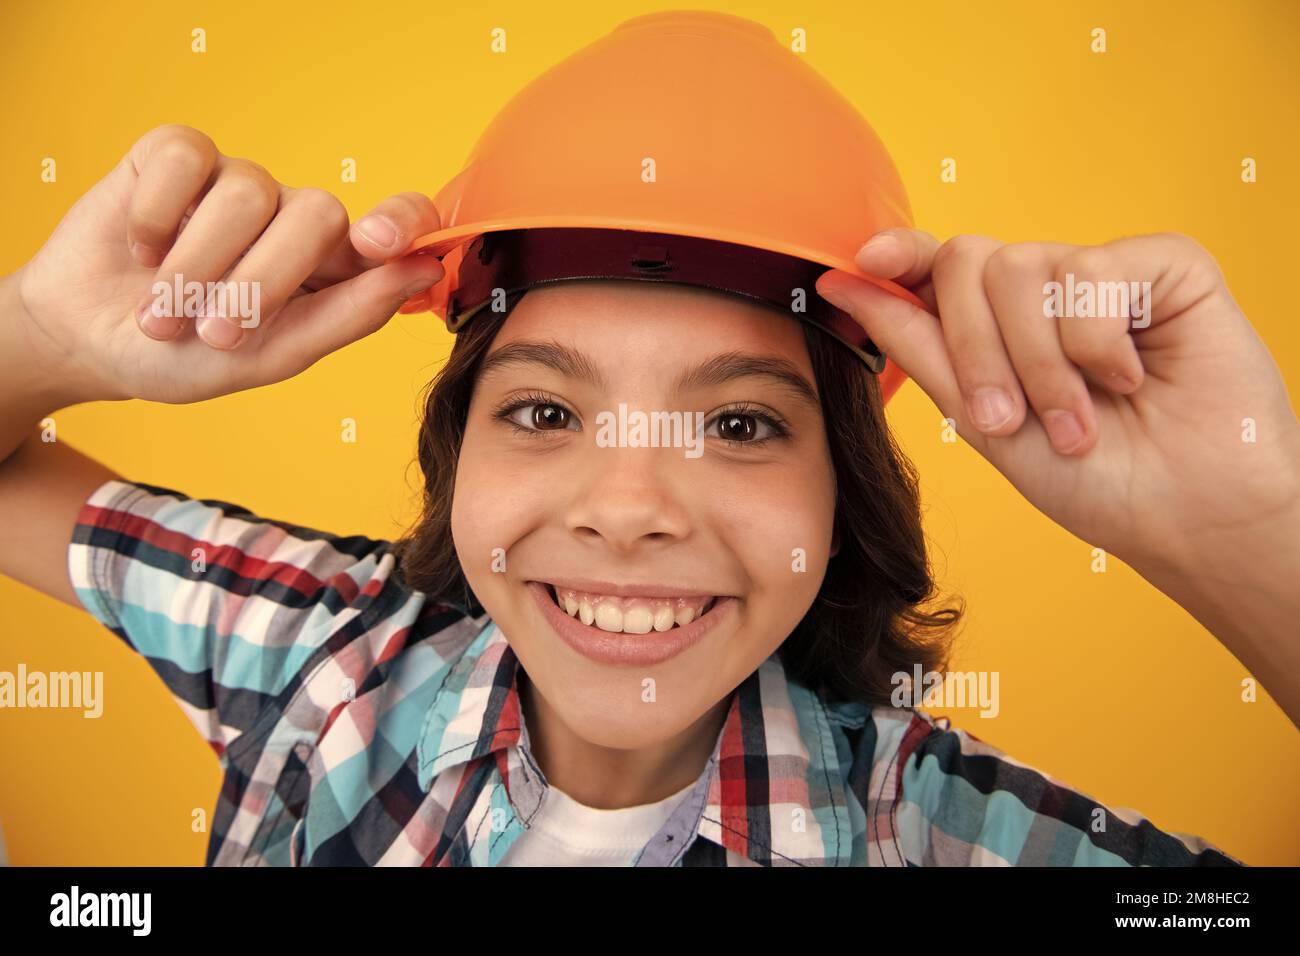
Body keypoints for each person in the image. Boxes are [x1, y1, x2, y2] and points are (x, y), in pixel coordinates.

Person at [1, 15, 1296, 867]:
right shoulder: (310, 648)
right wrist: (46, 342)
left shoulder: (965, 841)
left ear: (842, 481)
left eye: (739, 422)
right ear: (460, 449)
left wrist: (1252, 543)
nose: (627, 509)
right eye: (546, 411)